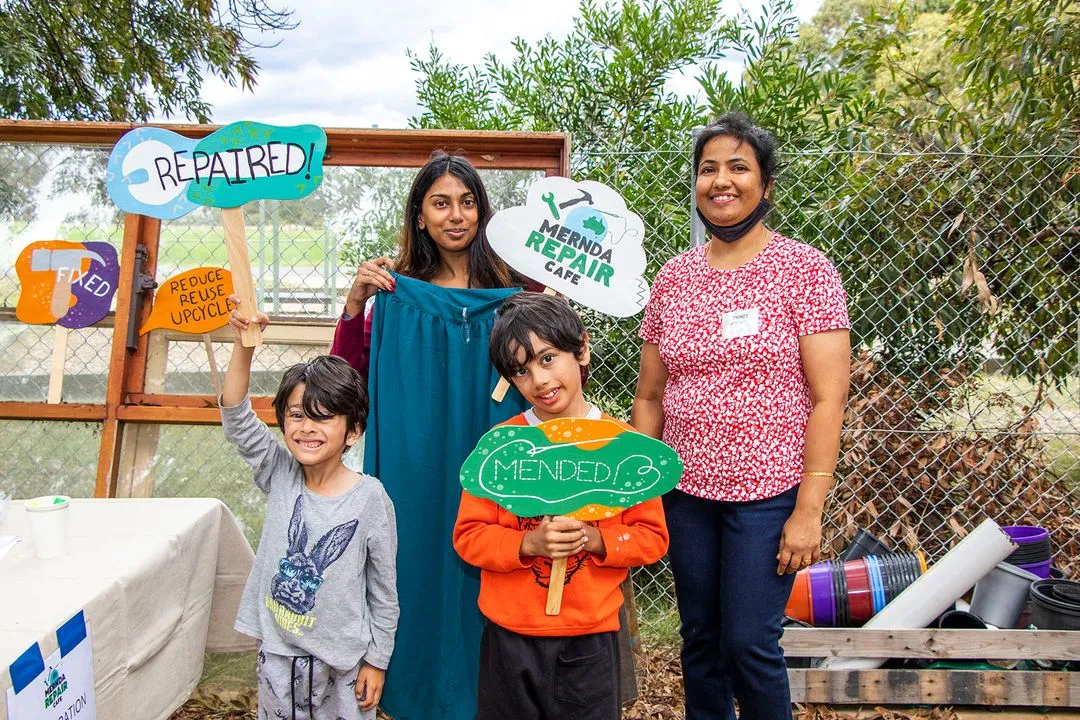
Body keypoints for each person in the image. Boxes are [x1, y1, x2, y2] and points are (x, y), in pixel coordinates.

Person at [631, 112, 851, 720]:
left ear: (765, 184)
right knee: (700, 642)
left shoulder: (804, 271)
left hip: (770, 493)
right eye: (708, 169)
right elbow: (650, 396)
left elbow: (829, 397)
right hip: (685, 489)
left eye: (737, 167)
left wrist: (809, 510)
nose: (720, 181)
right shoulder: (674, 278)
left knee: (749, 643)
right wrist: (631, 485)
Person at [454, 292, 669, 720]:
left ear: (582, 348)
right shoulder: (501, 448)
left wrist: (596, 538)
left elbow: (652, 538)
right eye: (521, 370)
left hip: (589, 637)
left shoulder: (623, 447)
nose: (539, 379)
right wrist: (528, 544)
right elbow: (469, 537)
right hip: (509, 634)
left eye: (548, 358)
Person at [221, 300, 398, 720]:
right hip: (278, 655)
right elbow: (235, 416)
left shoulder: (371, 498)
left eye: (323, 418)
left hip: (344, 664)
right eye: (297, 415)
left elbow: (384, 592)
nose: (306, 428)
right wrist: (244, 346)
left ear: (353, 431)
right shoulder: (280, 474)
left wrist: (377, 660)